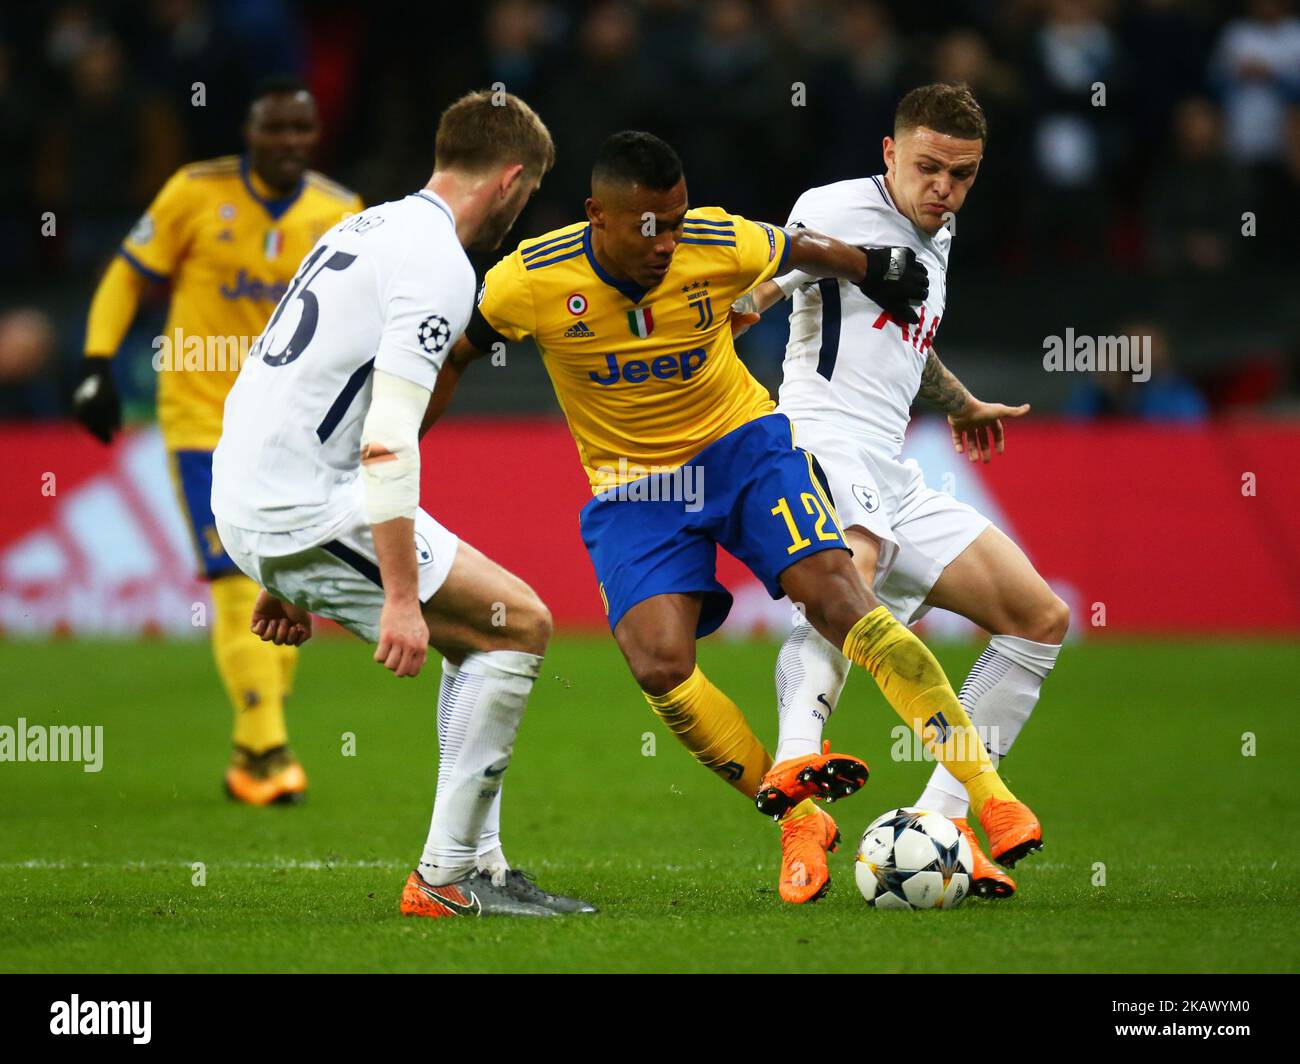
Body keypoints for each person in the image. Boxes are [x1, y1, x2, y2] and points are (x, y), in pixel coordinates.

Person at [431, 129, 1044, 905]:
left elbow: (798, 247)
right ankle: (802, 822)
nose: (667, 242)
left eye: (677, 220)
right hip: (634, 490)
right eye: (649, 226)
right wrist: (396, 448)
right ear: (597, 216)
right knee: (658, 662)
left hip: (743, 449)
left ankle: (989, 793)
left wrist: (874, 268)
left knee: (838, 595)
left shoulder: (714, 240)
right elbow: (457, 354)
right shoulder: (527, 280)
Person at [211, 89, 592, 919]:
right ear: (512, 179)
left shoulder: (365, 227)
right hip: (301, 503)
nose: (522, 216)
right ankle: (444, 878)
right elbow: (387, 433)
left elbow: (293, 384)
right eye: (528, 198)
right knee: (519, 625)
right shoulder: (441, 265)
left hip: (262, 488)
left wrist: (281, 571)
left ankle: (481, 866)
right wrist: (393, 599)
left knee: (483, 639)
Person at [743, 83, 1069, 899]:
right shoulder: (838, 207)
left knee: (1038, 618)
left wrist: (960, 403)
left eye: (962, 176)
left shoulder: (940, 232)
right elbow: (785, 268)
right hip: (819, 436)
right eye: (928, 168)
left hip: (889, 463)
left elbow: (906, 337)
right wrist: (742, 307)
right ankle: (800, 795)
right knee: (848, 572)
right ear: (889, 154)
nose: (944, 190)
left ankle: (946, 818)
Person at [74, 75, 362, 805]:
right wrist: (98, 364)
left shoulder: (340, 212)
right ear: (249, 132)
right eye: (276, 130)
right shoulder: (193, 194)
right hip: (204, 419)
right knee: (235, 574)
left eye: (303, 130)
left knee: (288, 579)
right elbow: (125, 275)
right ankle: (269, 748)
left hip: (297, 427)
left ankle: (250, 742)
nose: (290, 144)